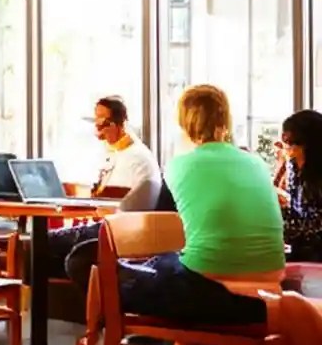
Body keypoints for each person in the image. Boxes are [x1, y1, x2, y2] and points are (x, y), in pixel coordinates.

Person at [110, 85, 281, 326]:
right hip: (269, 291)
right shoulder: (257, 164)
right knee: (168, 261)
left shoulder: (180, 166)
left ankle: (97, 336)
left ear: (184, 123)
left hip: (206, 291)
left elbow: (159, 234)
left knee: (107, 275)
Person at [48, 96, 163, 299]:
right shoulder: (116, 153)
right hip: (113, 224)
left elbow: (116, 202)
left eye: (104, 123)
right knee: (45, 245)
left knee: (41, 243)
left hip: (118, 228)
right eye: (96, 122)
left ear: (121, 124)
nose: (99, 131)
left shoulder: (136, 158)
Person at [278, 109, 322, 262]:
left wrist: (275, 225)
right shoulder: (296, 170)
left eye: (292, 144)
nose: (289, 153)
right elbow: (297, 216)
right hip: (302, 253)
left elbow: (314, 229)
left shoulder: (316, 180)